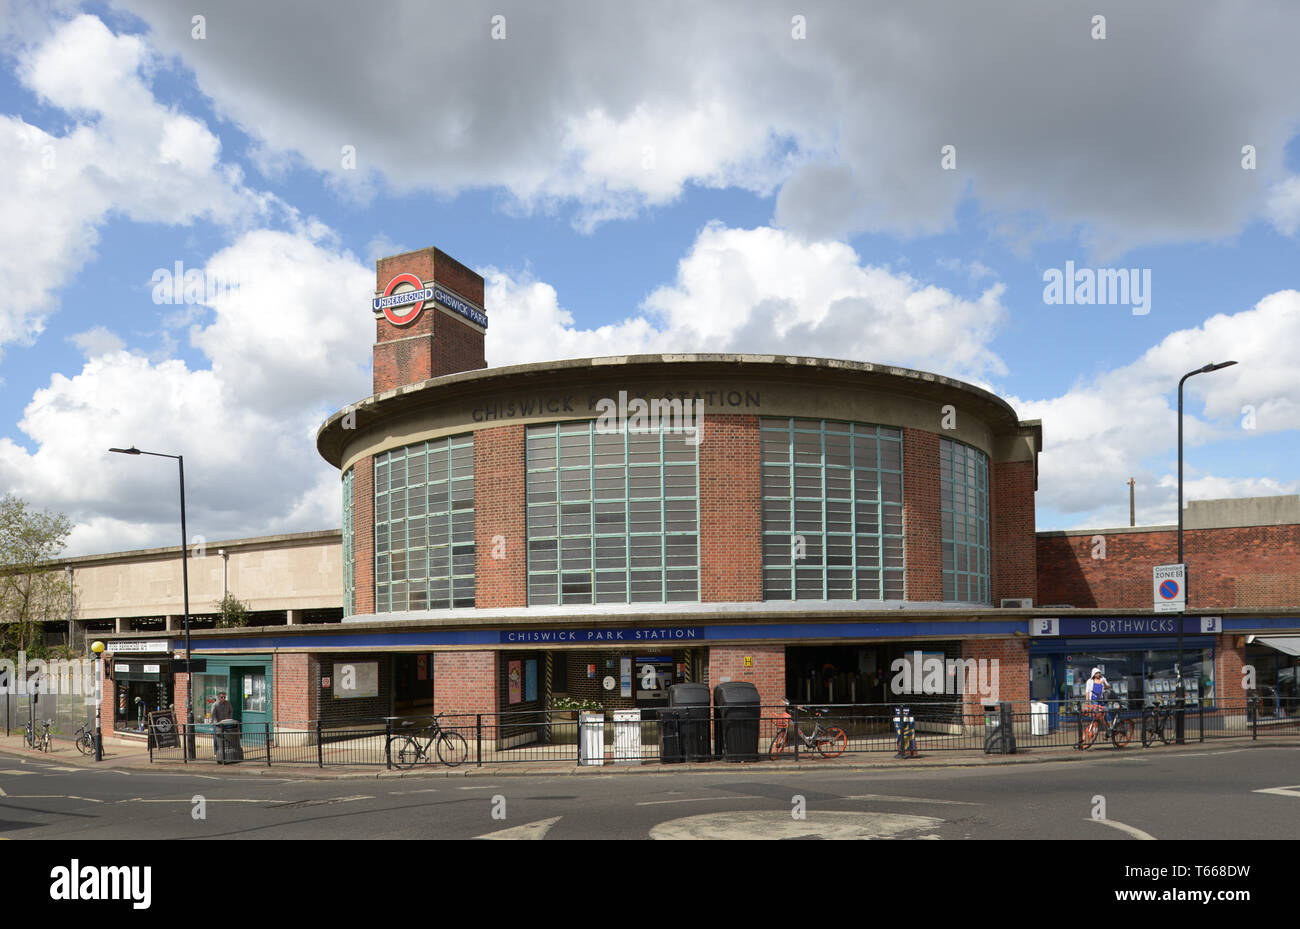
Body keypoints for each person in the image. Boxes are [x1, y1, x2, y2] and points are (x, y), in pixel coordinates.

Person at [210, 691, 233, 757]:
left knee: (227, 736)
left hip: (226, 723)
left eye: (224, 697)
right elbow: (213, 714)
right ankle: (216, 751)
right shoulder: (215, 704)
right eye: (222, 697)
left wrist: (229, 719)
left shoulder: (228, 703)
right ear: (218, 697)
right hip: (217, 724)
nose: (223, 698)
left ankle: (227, 750)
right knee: (216, 738)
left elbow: (231, 711)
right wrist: (216, 722)